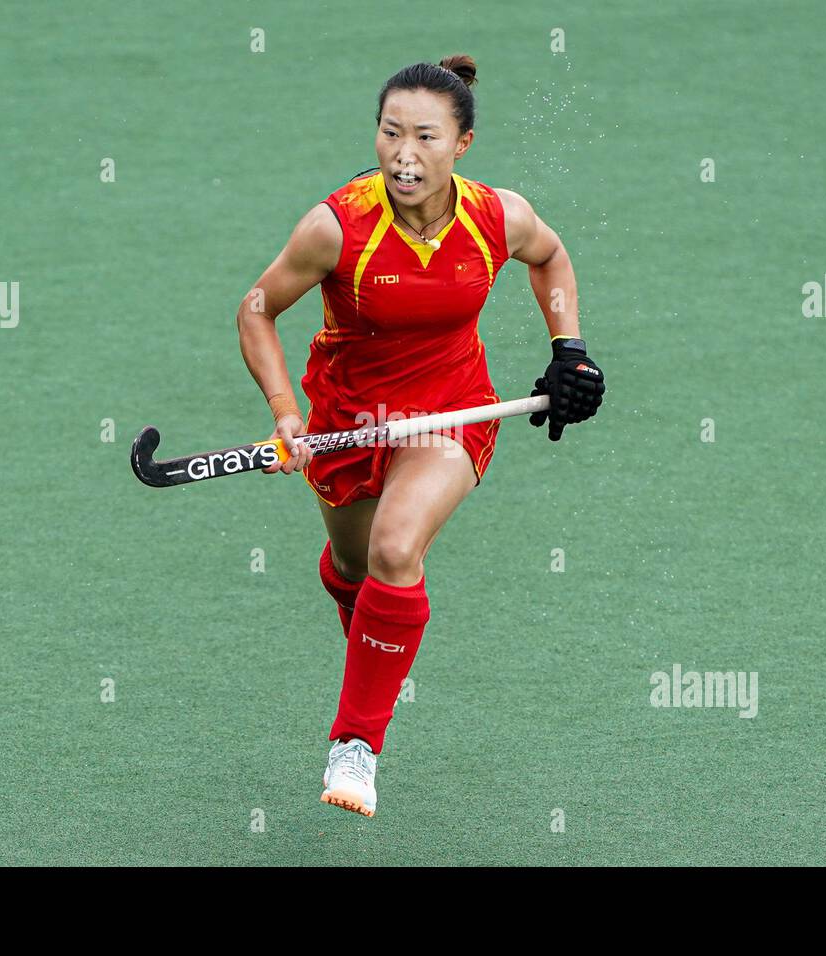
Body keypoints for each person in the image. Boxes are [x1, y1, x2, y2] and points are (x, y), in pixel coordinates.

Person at [235, 54, 605, 817]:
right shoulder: (337, 228)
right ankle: (376, 644)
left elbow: (551, 257)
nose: (405, 154)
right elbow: (257, 309)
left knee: (396, 550)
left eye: (426, 137)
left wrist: (569, 345)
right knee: (352, 565)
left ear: (461, 145)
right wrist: (283, 412)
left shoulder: (498, 216)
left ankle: (356, 745)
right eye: (390, 133)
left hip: (452, 413)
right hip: (349, 420)